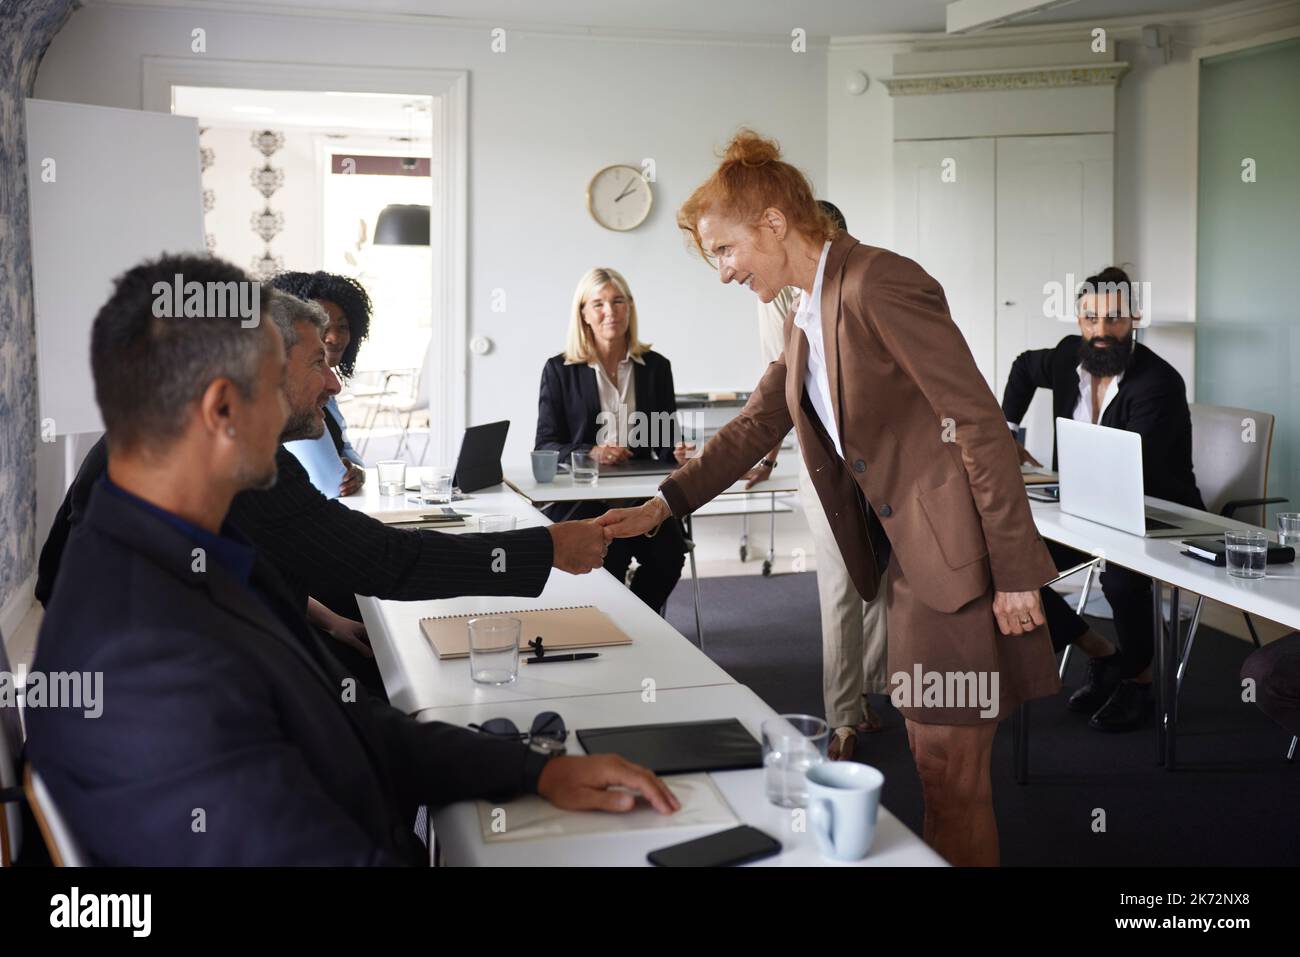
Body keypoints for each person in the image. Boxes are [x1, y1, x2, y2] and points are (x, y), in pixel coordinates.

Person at [24, 253, 678, 865]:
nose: (327, 386)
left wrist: (536, 770)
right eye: (280, 376)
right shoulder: (148, 657)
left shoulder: (185, 540)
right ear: (222, 408)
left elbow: (343, 718)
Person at [597, 130, 1060, 866]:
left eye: (724, 250)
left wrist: (1013, 569)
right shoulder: (805, 311)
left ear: (774, 223)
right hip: (909, 570)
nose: (721, 272)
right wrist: (664, 503)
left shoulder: (879, 282)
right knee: (935, 773)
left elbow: (976, 422)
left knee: (952, 778)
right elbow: (758, 420)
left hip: (961, 568)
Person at [1001, 267, 1205, 732]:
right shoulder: (1064, 359)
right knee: (1005, 563)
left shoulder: (1158, 383)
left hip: (1159, 513)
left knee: (1120, 578)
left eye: (1113, 319)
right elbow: (1021, 367)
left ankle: (1139, 680)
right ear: (1078, 318)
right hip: (1082, 510)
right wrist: (1006, 431)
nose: (1100, 331)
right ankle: (1101, 651)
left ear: (1133, 318)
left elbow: (1136, 470)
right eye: (1091, 318)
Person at [751, 200, 888, 760]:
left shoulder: (867, 289)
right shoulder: (780, 298)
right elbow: (780, 383)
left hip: (882, 459)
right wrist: (762, 452)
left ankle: (871, 692)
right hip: (820, 458)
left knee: (883, 578)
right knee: (839, 580)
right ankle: (843, 718)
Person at [535, 267, 690, 613]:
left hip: (638, 496)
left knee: (669, 557)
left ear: (630, 307)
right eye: (599, 303)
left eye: (618, 301)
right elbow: (546, 444)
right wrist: (591, 451)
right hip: (584, 498)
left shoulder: (655, 366)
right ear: (584, 314)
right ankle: (617, 625)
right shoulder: (559, 370)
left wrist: (676, 451)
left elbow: (662, 439)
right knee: (609, 557)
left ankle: (638, 619)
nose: (610, 311)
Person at [272, 271, 371, 498]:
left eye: (343, 327)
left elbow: (349, 456)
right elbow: (331, 482)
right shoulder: (293, 399)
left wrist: (358, 472)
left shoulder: (325, 390)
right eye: (323, 326)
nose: (334, 338)